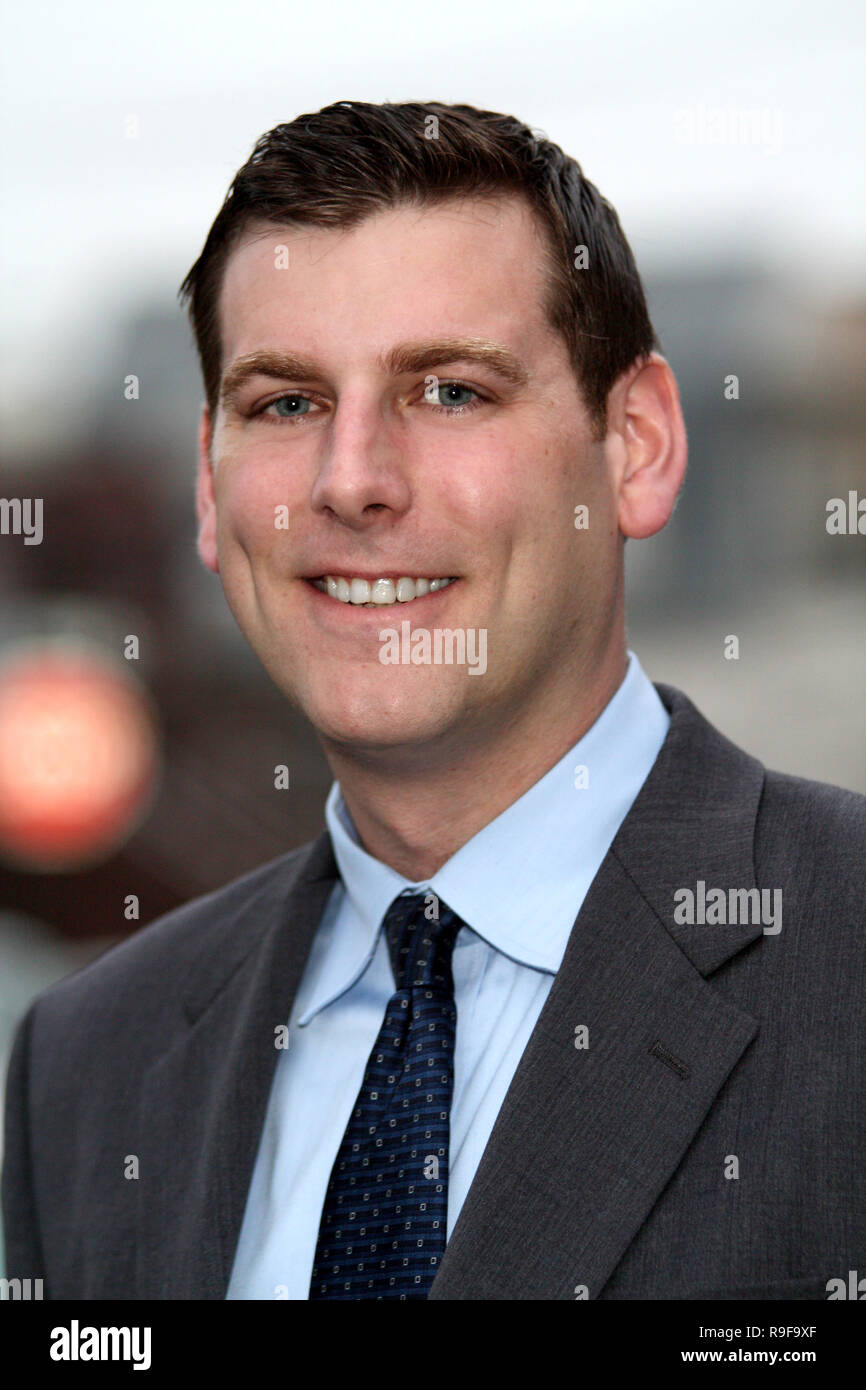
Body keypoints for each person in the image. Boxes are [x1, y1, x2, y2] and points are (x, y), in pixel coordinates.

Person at [3, 100, 863, 1301]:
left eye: (450, 391)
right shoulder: (84, 1068)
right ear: (208, 486)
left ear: (638, 445)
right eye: (285, 403)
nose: (353, 479)